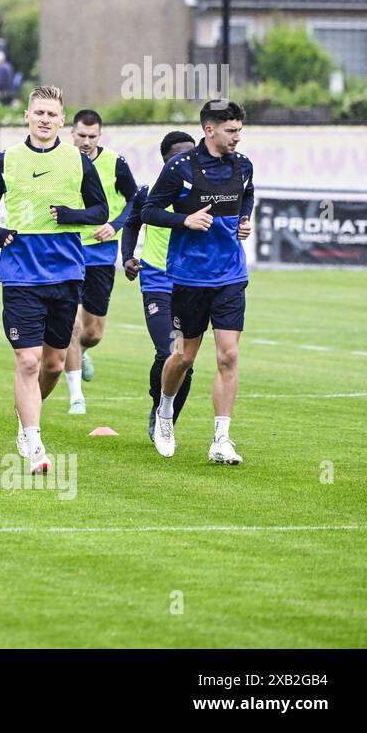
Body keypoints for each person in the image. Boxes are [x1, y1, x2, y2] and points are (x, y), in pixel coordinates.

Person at [0, 86, 108, 475]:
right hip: (20, 274)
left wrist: (71, 214)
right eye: (39, 112)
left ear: (62, 120)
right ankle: (33, 440)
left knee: (52, 364)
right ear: (27, 117)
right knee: (28, 360)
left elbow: (99, 209)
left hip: (65, 273)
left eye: (52, 113)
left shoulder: (79, 162)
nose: (45, 119)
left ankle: (26, 417)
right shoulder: (5, 160)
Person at [143, 100, 254, 465]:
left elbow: (247, 193)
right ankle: (165, 412)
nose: (238, 137)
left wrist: (244, 219)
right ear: (209, 130)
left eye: (239, 129)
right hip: (189, 277)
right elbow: (149, 210)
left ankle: (222, 439)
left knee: (229, 354)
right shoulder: (180, 168)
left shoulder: (243, 166)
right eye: (231, 131)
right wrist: (184, 220)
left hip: (230, 276)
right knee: (183, 356)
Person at [121, 131, 197, 441]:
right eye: (180, 156)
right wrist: (127, 256)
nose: (188, 161)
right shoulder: (148, 192)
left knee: (185, 363)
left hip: (192, 282)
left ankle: (166, 418)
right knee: (170, 350)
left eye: (193, 154)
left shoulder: (203, 194)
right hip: (157, 281)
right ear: (166, 160)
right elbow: (132, 223)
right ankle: (159, 410)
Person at [64, 109, 138, 414]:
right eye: (81, 135)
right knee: (73, 325)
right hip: (68, 251)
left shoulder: (115, 162)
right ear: (72, 133)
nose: (85, 141)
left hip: (102, 255)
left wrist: (116, 225)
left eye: (91, 136)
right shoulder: (61, 161)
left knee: (92, 333)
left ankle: (81, 352)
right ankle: (76, 396)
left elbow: (136, 199)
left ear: (100, 136)